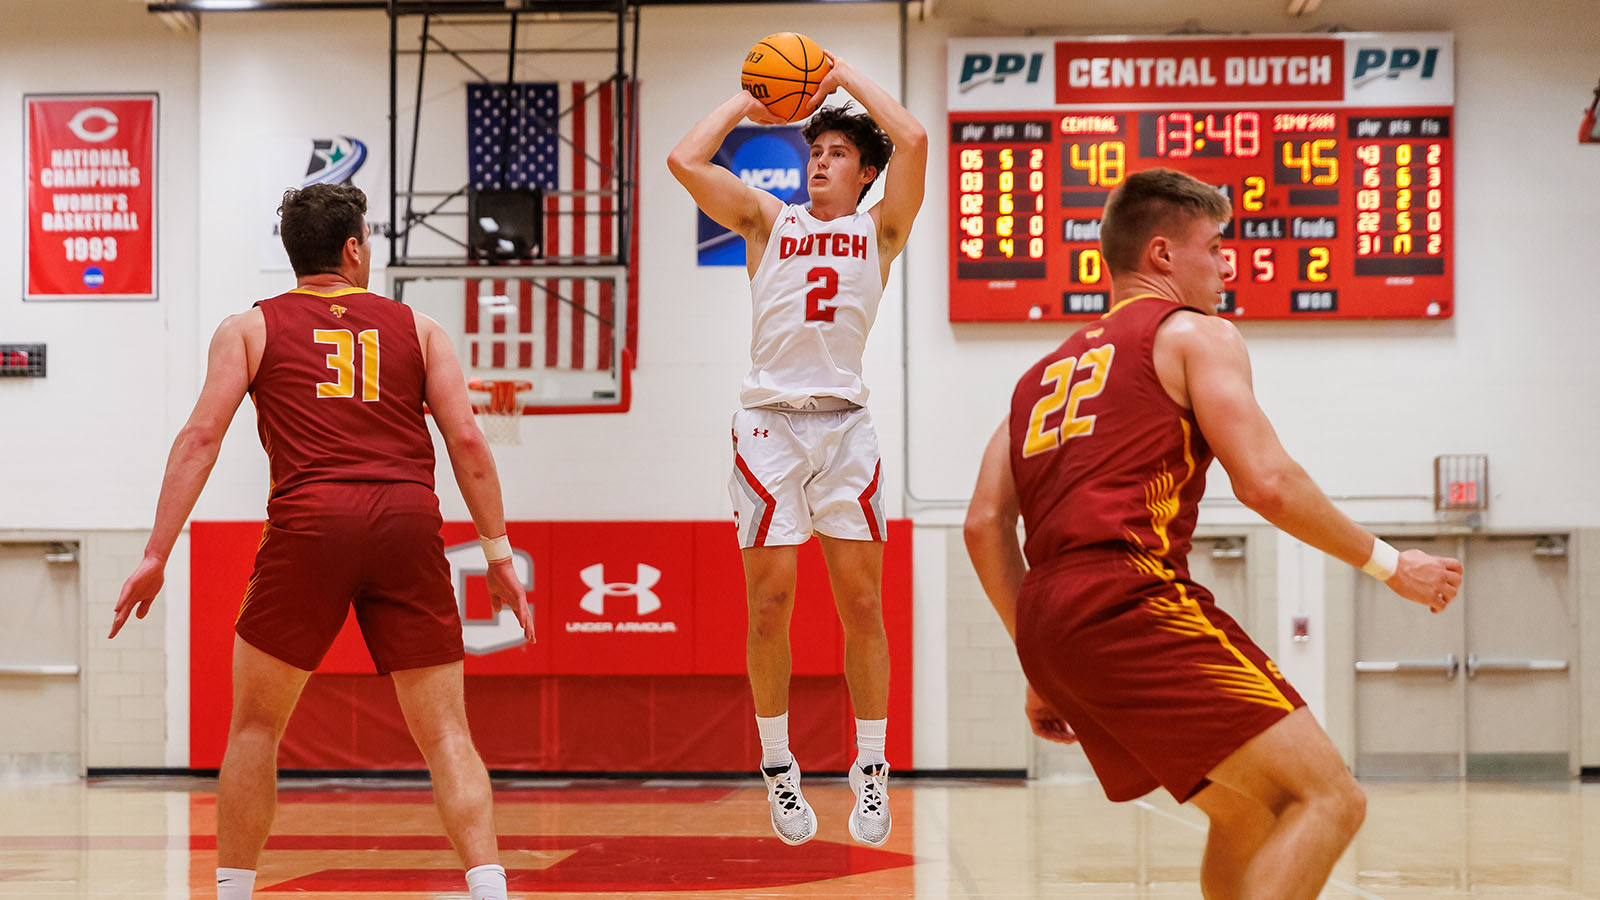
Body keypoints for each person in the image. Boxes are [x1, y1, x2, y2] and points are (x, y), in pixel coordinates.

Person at [963, 168, 1463, 900]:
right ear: (1163, 256)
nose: (1227, 263)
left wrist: (1039, 662)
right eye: (1215, 245)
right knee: (1331, 799)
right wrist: (1392, 565)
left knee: (1248, 812)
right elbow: (1268, 483)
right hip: (1131, 598)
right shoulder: (1195, 333)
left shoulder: (1036, 376)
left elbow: (982, 524)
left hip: (1048, 615)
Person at [108, 183, 535, 900]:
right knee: (447, 736)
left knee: (254, 729)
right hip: (406, 521)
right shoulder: (422, 329)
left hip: (309, 522)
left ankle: (233, 894)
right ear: (354, 248)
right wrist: (497, 555)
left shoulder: (247, 329)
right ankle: (489, 890)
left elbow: (200, 438)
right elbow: (468, 439)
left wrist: (156, 553)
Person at [667, 53, 926, 847]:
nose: (819, 161)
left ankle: (871, 768)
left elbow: (913, 136)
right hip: (769, 426)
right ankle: (779, 766)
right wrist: (752, 98)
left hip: (846, 425)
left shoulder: (879, 229)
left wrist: (841, 74)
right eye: (813, 151)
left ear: (865, 172)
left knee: (861, 605)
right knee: (771, 602)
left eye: (836, 153)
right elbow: (684, 159)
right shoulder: (766, 221)